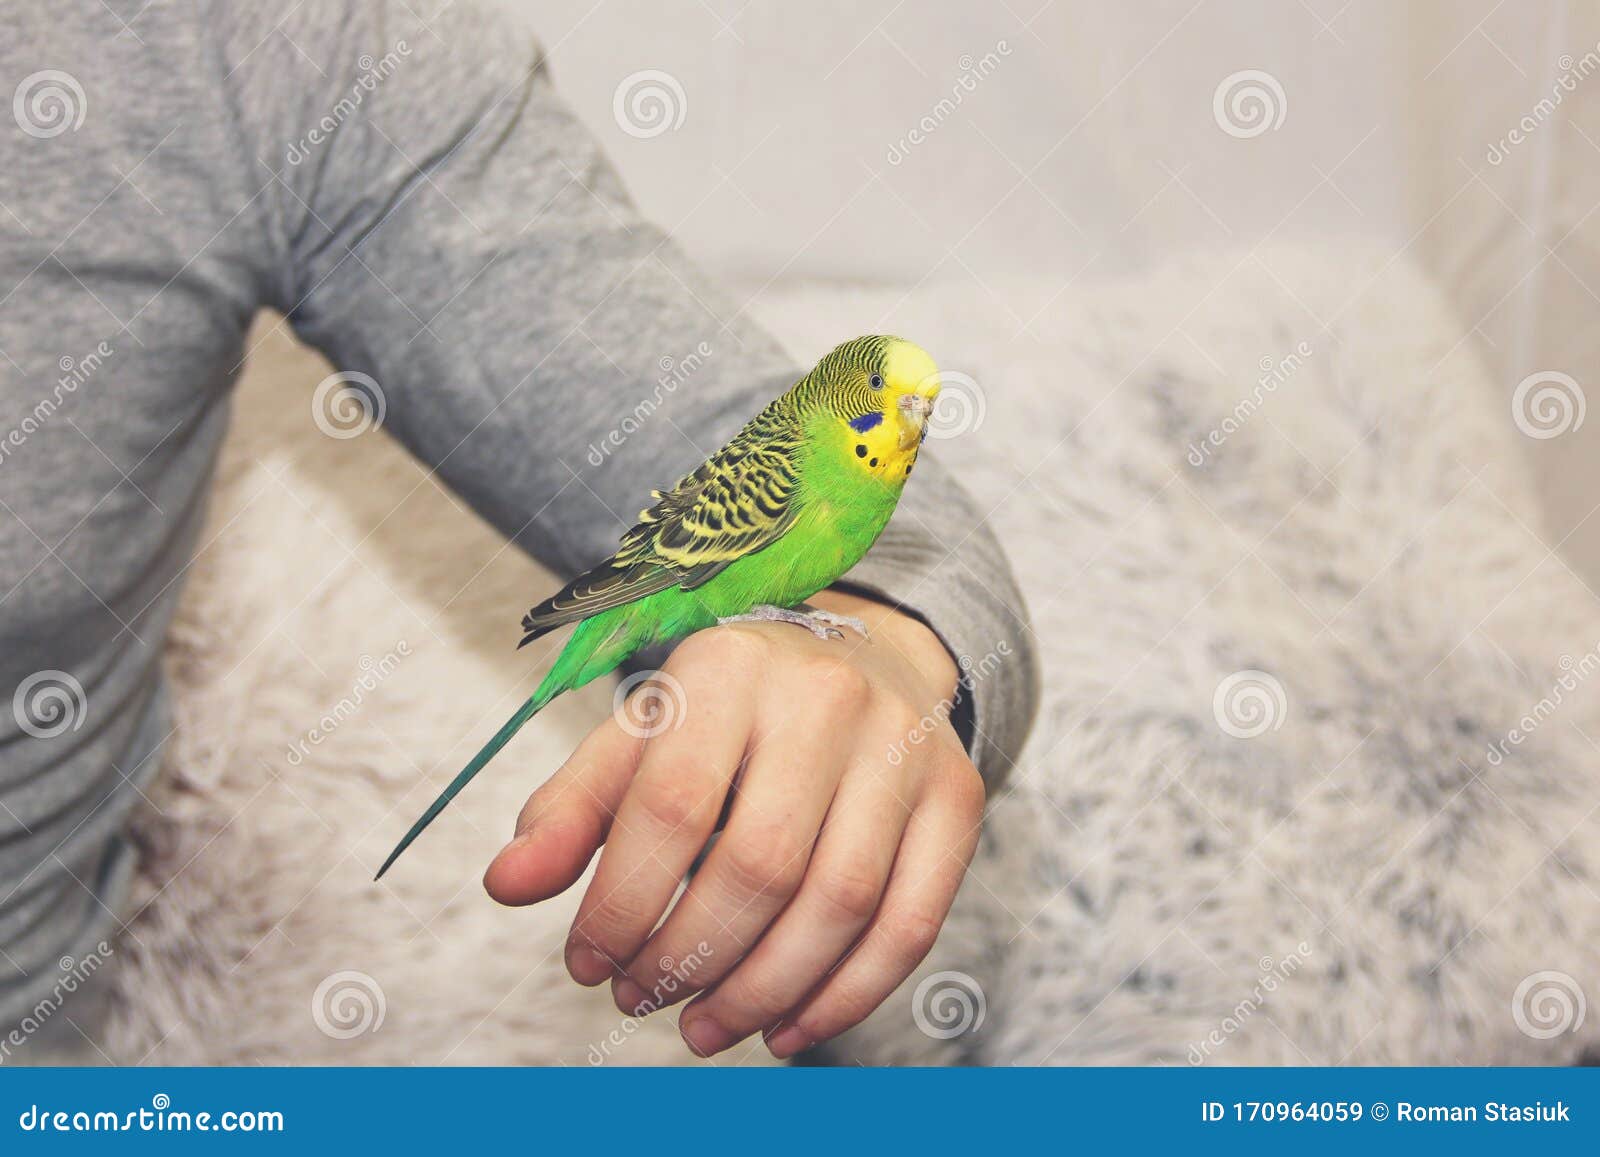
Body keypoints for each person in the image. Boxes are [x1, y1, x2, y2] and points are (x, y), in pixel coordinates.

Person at [0, 0, 1036, 1060]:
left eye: (923, 406)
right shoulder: (793, 466)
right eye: (887, 399)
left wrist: (886, 664)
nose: (908, 418)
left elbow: (929, 551)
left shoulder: (272, 46)